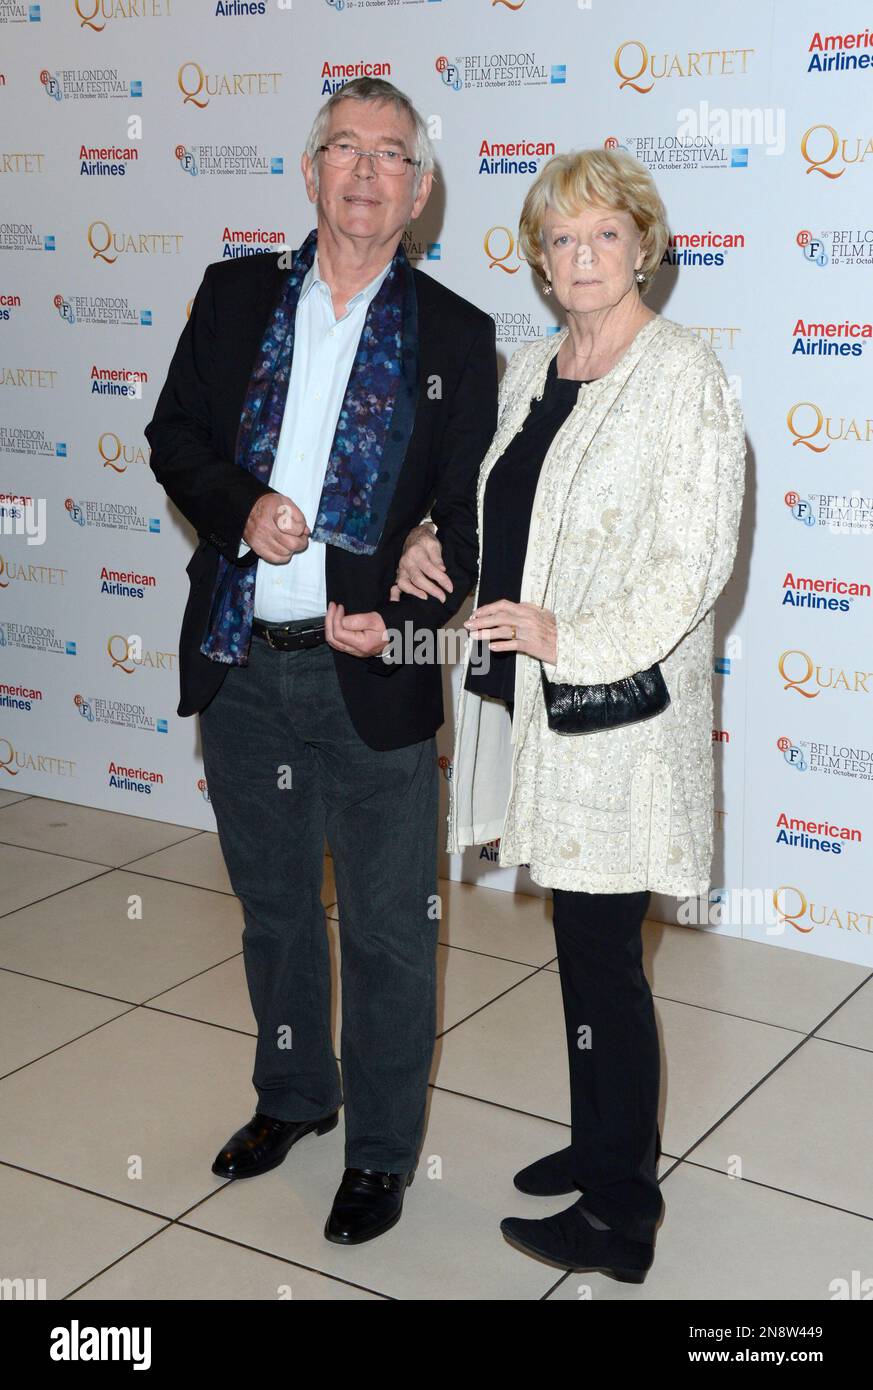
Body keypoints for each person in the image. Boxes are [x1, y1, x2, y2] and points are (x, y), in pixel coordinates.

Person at [145, 77, 497, 1246]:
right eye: (342, 147)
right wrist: (244, 508)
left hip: (374, 668)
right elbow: (173, 439)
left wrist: (427, 560)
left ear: (420, 189)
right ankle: (295, 1096)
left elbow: (460, 515)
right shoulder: (236, 294)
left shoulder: (454, 335)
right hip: (245, 662)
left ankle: (385, 1152)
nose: (363, 171)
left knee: (392, 927)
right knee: (276, 909)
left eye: (390, 154)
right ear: (309, 171)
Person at [393, 148, 746, 1280]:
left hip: (622, 723)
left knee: (603, 958)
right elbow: (510, 510)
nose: (582, 257)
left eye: (604, 236)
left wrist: (563, 637)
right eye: (560, 239)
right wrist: (437, 548)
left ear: (643, 244)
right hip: (542, 715)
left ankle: (620, 1217)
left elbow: (692, 563)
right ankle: (607, 1143)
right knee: (583, 947)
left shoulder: (684, 375)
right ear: (539, 260)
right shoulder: (540, 364)